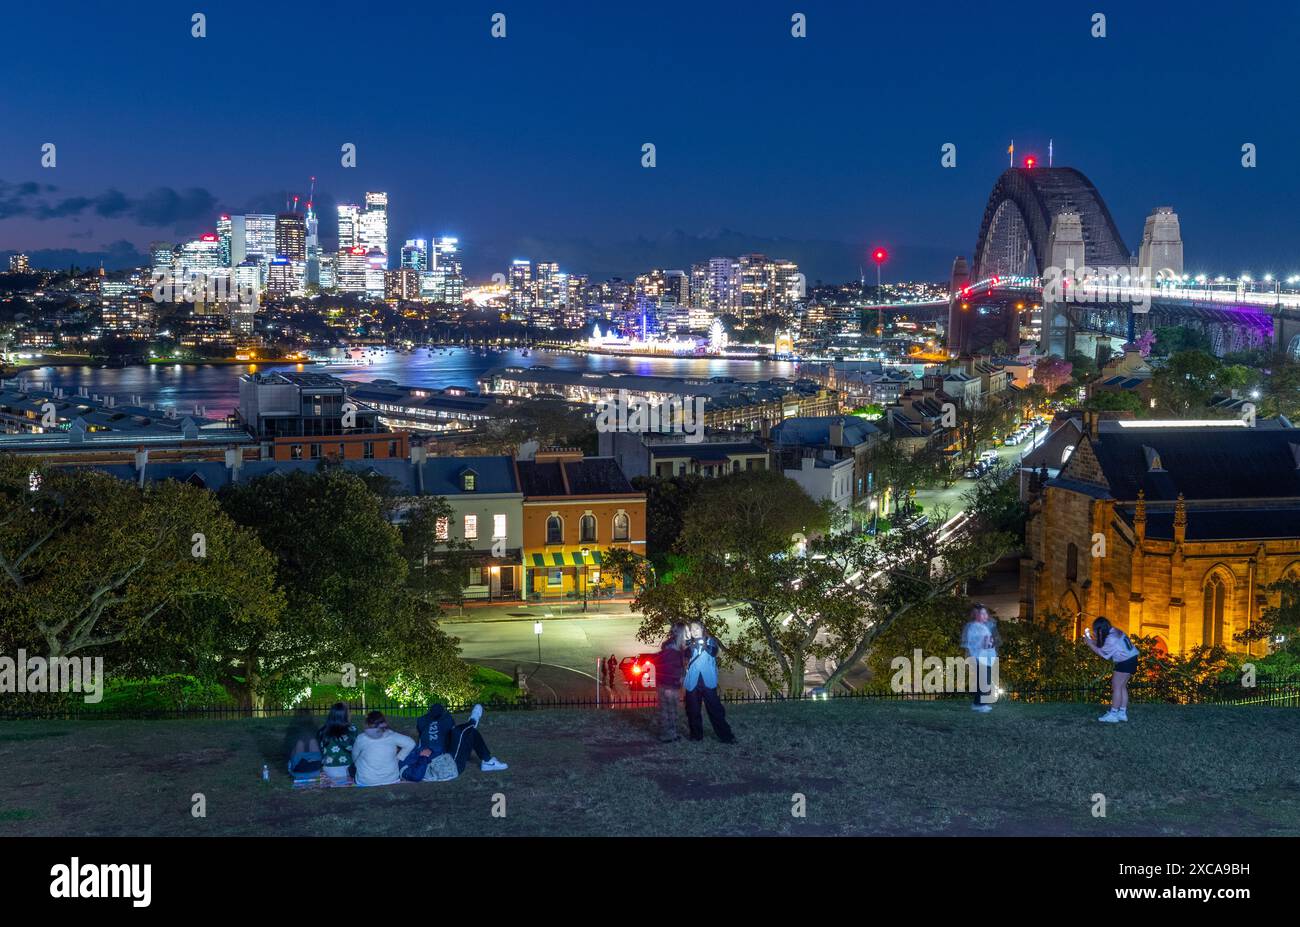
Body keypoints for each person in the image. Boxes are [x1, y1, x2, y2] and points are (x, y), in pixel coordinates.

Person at [412, 702, 508, 778]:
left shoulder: (422, 721)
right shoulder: (446, 719)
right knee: (460, 732)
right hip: (449, 766)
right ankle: (472, 721)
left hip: (441, 759)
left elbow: (421, 740)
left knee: (470, 732)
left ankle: (488, 761)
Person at [683, 621, 736, 744]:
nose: (694, 632)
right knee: (693, 710)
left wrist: (703, 645)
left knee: (715, 710)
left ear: (702, 629)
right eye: (692, 630)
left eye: (697, 629)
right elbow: (685, 656)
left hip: (708, 681)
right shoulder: (689, 644)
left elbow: (713, 652)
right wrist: (690, 646)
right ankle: (696, 736)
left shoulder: (710, 641)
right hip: (693, 682)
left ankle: (726, 736)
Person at [1083, 617, 1139, 723]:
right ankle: (1122, 713)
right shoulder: (1113, 631)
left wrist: (1090, 643)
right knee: (1122, 686)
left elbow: (1103, 653)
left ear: (1100, 629)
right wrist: (1092, 641)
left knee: (1116, 687)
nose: (1094, 631)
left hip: (1125, 661)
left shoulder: (1111, 638)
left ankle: (1113, 714)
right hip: (1131, 658)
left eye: (1095, 629)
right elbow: (1104, 646)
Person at [351, 711, 416, 787]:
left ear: (367, 724)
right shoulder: (392, 736)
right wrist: (399, 758)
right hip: (391, 779)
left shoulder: (361, 738)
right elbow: (411, 743)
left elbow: (354, 756)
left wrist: (357, 764)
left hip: (366, 781)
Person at [961, 604, 999, 712]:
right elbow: (974, 642)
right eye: (982, 613)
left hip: (985, 656)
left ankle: (979, 703)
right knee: (983, 680)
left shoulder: (983, 626)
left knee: (984, 680)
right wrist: (985, 643)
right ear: (976, 615)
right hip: (980, 657)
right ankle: (980, 704)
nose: (984, 615)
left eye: (985, 613)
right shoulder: (974, 627)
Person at [654, 624, 687, 742]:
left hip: (667, 684)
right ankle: (667, 735)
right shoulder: (672, 650)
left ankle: (669, 734)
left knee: (668, 710)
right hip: (669, 685)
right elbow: (668, 669)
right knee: (669, 711)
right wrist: (676, 679)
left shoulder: (672, 647)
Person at [317, 702, 358, 781]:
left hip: (328, 770)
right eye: (349, 711)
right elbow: (355, 750)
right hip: (348, 770)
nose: (351, 713)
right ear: (344, 715)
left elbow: (322, 750)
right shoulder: (352, 729)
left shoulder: (322, 731)